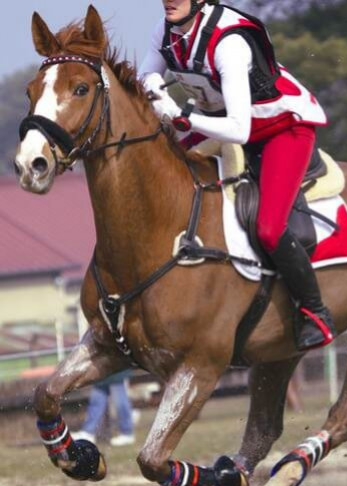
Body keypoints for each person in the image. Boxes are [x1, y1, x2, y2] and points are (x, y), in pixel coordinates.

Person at [139, 0, 334, 350]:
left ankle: (315, 310)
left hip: (280, 128)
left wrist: (180, 115)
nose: (168, 0)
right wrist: (152, 80)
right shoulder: (166, 29)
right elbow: (145, 76)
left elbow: (239, 130)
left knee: (269, 229)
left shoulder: (229, 43)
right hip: (221, 121)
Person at [73, 369, 136, 446]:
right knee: (96, 402)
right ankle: (88, 432)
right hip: (102, 373)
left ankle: (127, 432)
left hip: (116, 371)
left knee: (120, 402)